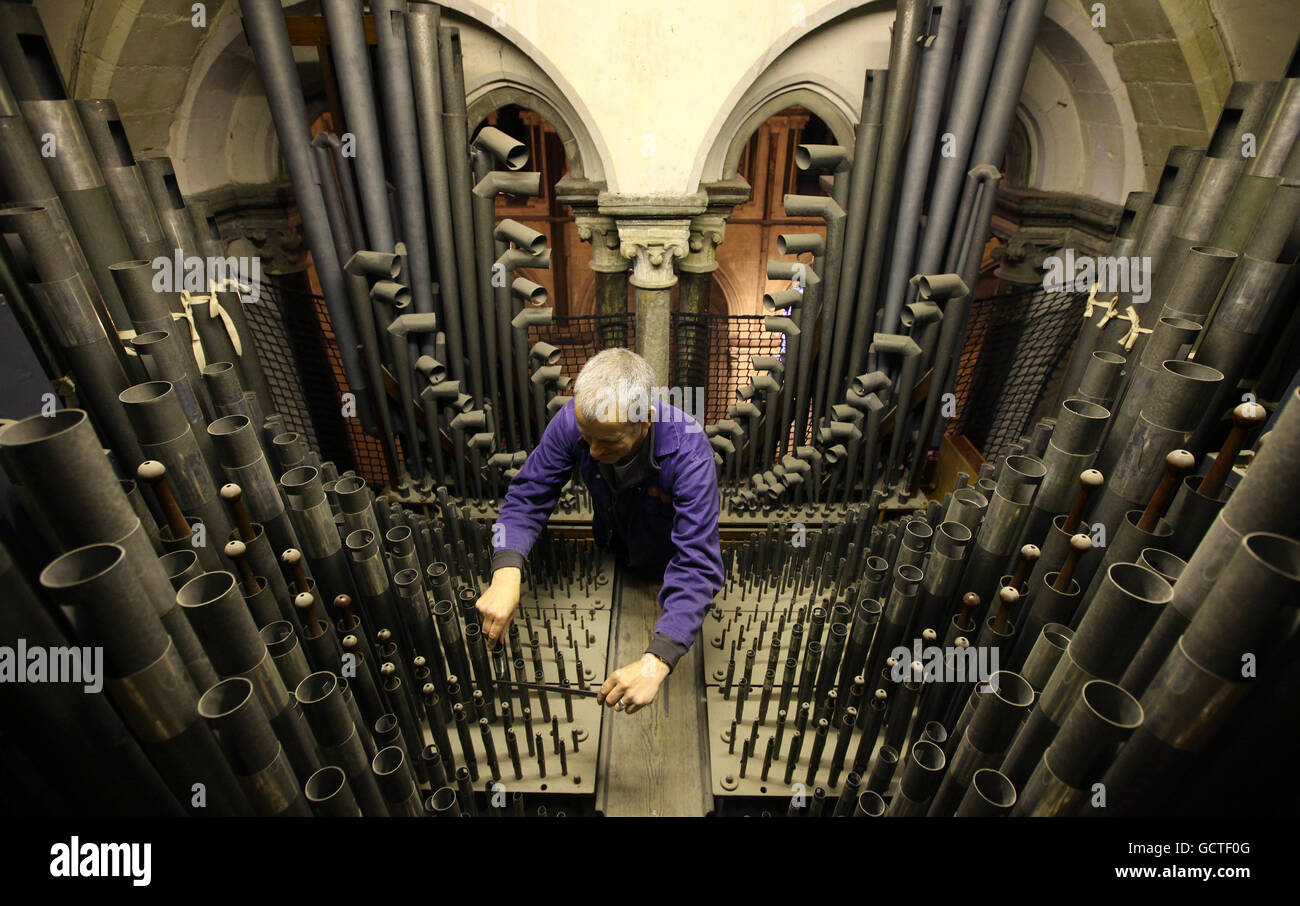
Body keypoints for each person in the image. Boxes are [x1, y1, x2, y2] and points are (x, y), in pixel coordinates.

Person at [476, 348, 724, 714]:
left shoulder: (690, 452)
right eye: (586, 438)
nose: (591, 451)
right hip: (611, 553)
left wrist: (657, 661)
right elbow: (525, 498)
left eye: (607, 442)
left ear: (645, 420)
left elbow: (698, 565)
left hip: (665, 578)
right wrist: (505, 570)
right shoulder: (575, 421)